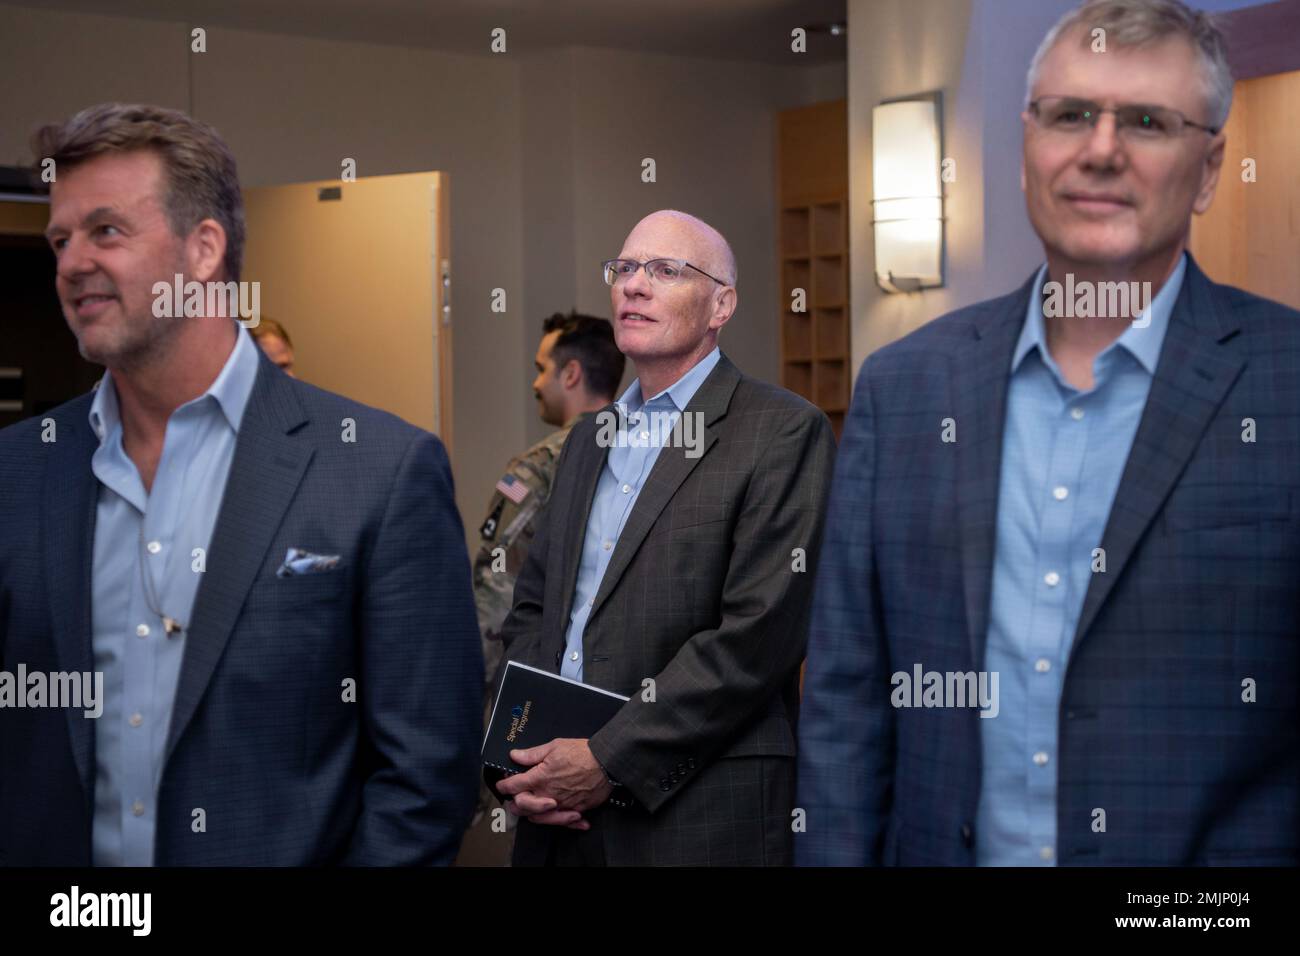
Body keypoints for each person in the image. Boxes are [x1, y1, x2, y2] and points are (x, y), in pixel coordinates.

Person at [796, 0, 1299, 866]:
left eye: (1147, 121)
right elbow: (846, 702)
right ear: (1028, 140)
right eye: (1071, 115)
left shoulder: (1286, 381)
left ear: (1210, 167)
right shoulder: (906, 387)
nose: (1100, 150)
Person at [0, 103, 482, 866]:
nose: (68, 263)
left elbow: (426, 780)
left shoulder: (379, 472)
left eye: (106, 231)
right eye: (61, 239)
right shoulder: (19, 469)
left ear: (203, 250)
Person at [496, 209, 836, 866]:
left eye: (665, 271)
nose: (634, 286)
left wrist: (607, 758)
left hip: (694, 817)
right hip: (555, 814)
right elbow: (535, 609)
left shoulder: (781, 432)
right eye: (624, 269)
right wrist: (523, 754)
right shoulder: (588, 441)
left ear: (721, 304)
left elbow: (755, 640)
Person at [471, 311, 622, 829]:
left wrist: (479, 726)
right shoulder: (654, 451)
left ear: (572, 373)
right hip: (620, 726)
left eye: (541, 368)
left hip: (538, 711)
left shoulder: (535, 467)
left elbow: (496, 594)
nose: (536, 383)